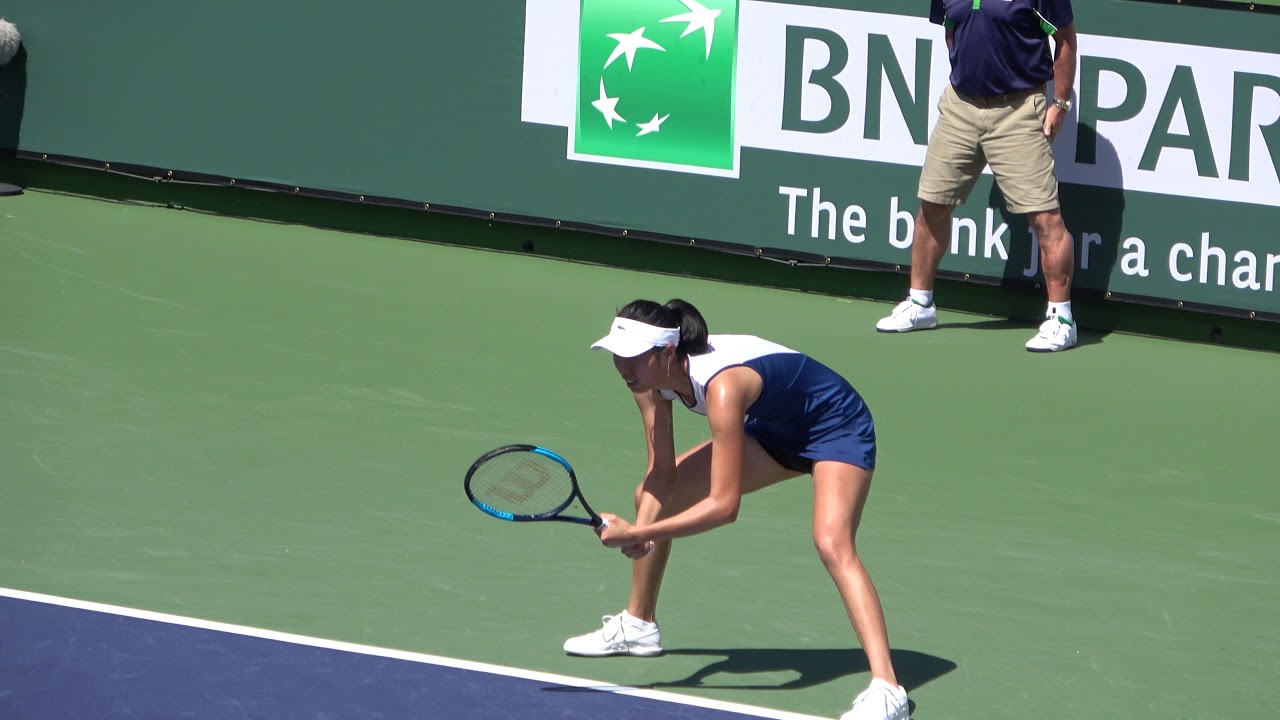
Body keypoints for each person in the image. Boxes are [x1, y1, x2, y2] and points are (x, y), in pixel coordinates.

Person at [568, 298, 910, 720]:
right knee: (650, 498)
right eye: (617, 355)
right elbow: (662, 475)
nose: (623, 366)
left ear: (667, 353)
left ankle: (888, 689)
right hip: (774, 430)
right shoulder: (647, 384)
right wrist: (646, 524)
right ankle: (639, 625)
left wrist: (640, 535)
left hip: (835, 425)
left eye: (633, 357)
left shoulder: (723, 386)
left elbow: (724, 505)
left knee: (831, 542)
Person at [876, 0, 1079, 352]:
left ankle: (1062, 319)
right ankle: (921, 303)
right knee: (932, 205)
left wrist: (1060, 104)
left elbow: (1064, 40)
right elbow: (951, 30)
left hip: (1019, 108)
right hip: (960, 106)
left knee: (1045, 218)